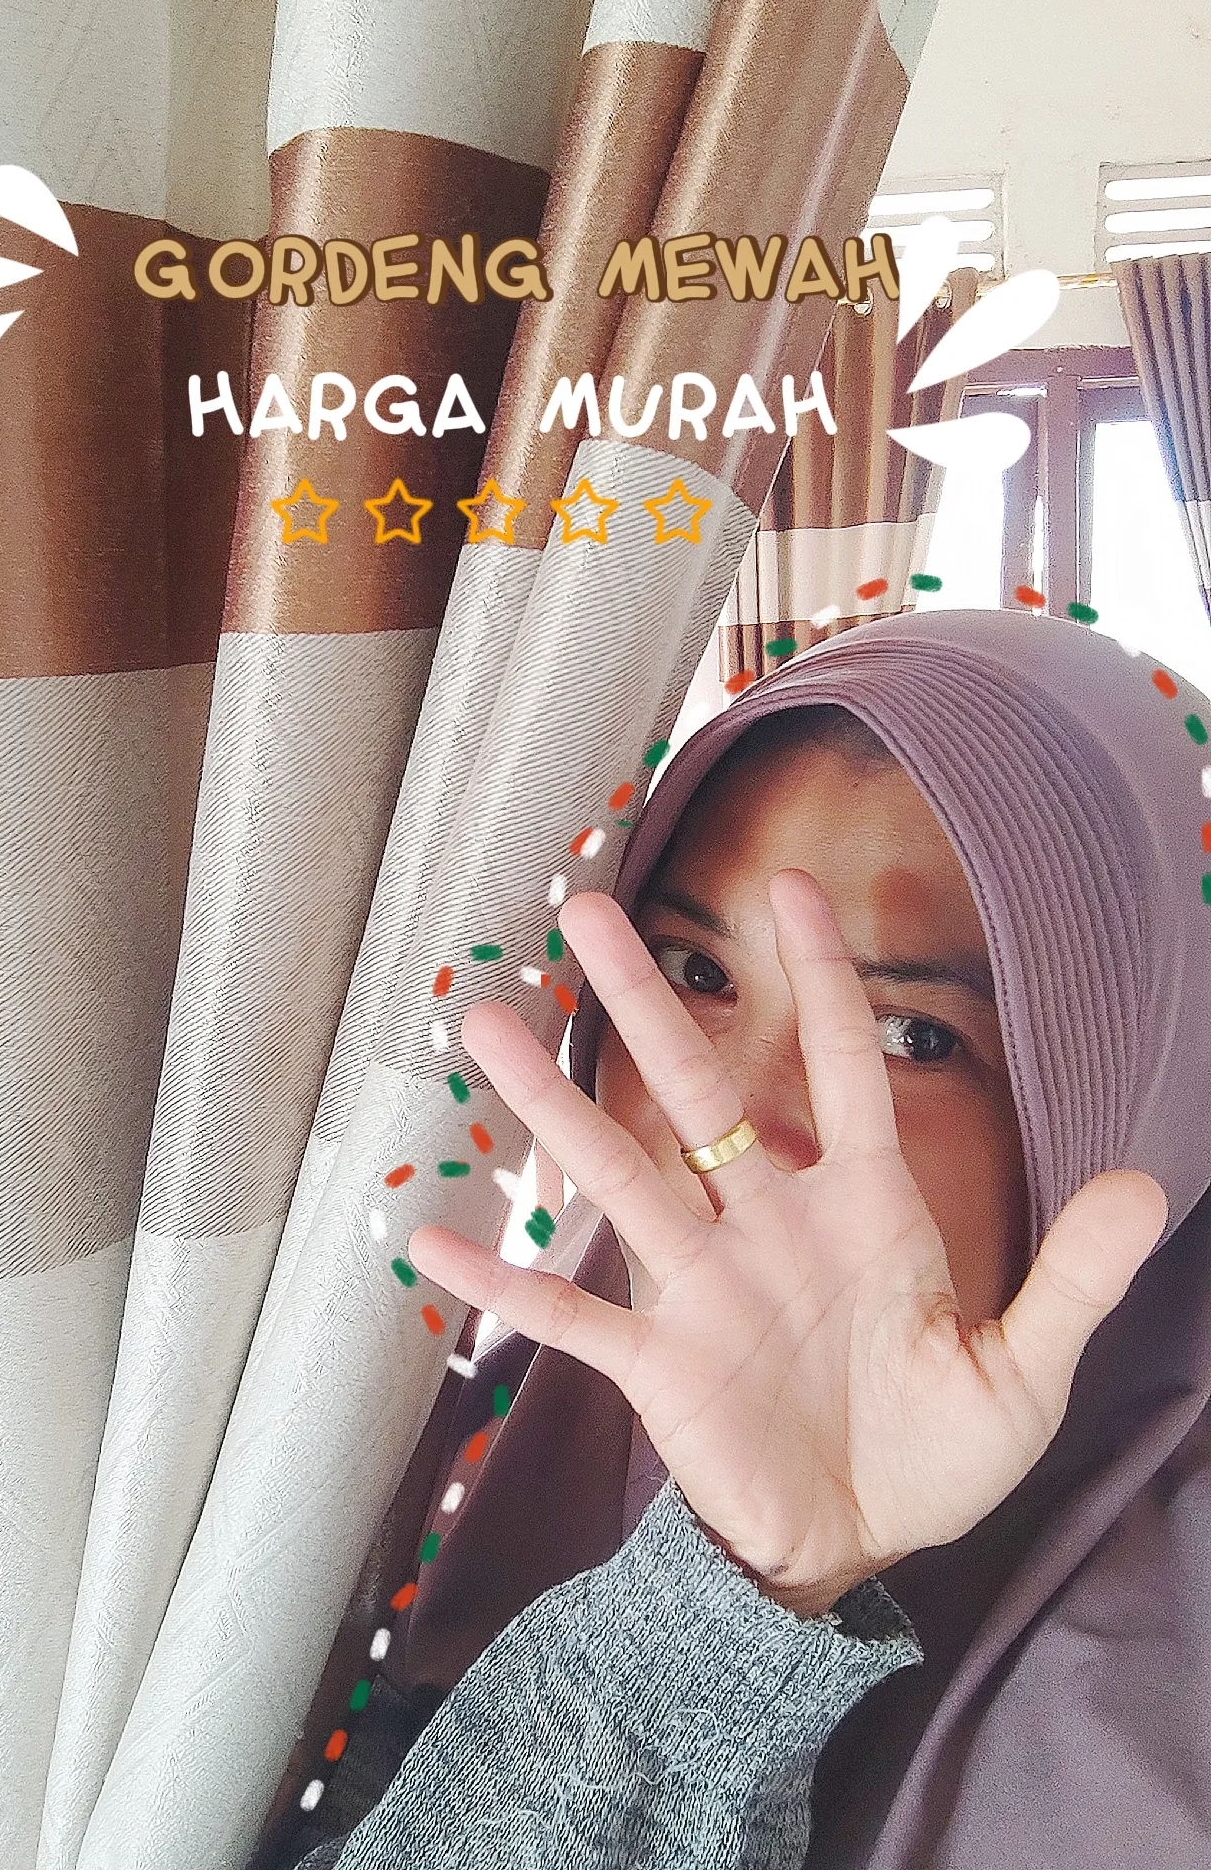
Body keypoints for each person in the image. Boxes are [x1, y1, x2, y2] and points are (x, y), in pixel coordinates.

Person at [273, 607, 1211, 1869]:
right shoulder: (461, 1436)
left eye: (912, 1038)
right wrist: (740, 1589)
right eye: (693, 972)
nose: (735, 1124)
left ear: (1140, 1105)